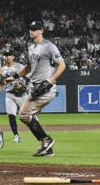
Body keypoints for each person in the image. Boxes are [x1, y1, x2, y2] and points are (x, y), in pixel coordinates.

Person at [16, 21, 66, 156]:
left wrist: (50, 80)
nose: (31, 31)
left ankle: (46, 140)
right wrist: (15, 76)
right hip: (34, 87)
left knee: (24, 114)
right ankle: (47, 149)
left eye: (34, 29)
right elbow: (28, 67)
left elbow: (62, 65)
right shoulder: (31, 47)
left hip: (45, 88)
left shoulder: (49, 46)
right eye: (30, 29)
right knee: (32, 117)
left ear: (41, 31)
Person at [0, 49, 28, 143]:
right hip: (9, 94)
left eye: (9, 55)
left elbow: (29, 77)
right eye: (6, 55)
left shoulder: (20, 66)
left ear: (13, 57)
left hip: (21, 94)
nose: (7, 57)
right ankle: (16, 136)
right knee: (11, 115)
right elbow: (0, 82)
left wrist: (27, 87)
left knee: (28, 114)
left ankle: (38, 131)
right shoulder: (3, 69)